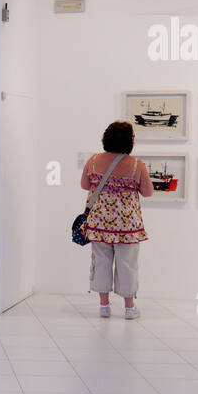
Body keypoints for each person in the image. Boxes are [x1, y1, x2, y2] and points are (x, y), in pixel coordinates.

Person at [80, 120, 153, 319]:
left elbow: (84, 185)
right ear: (129, 141)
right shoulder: (136, 164)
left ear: (106, 138)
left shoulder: (94, 160)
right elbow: (148, 192)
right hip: (127, 225)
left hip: (99, 222)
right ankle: (129, 308)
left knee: (101, 262)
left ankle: (104, 306)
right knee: (127, 264)